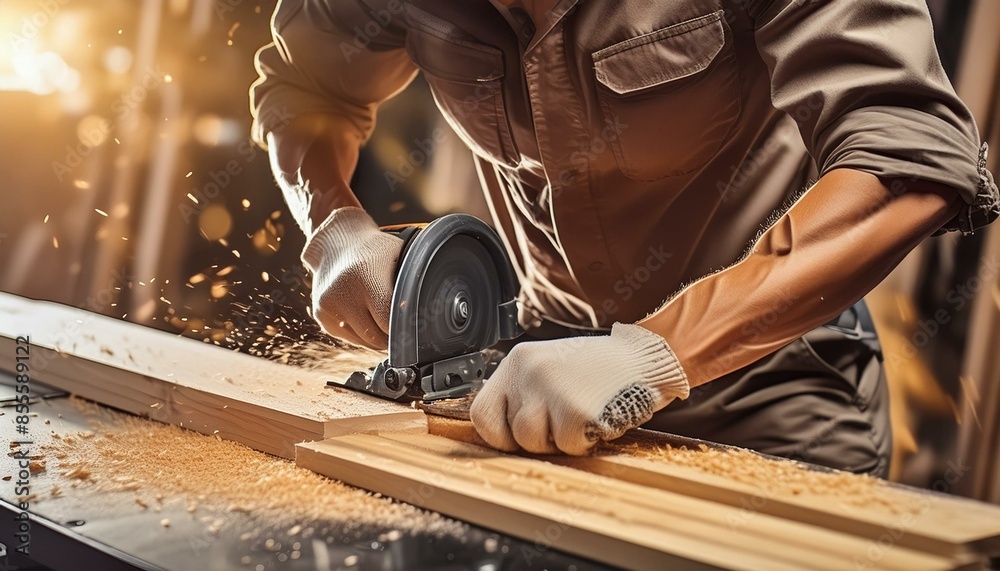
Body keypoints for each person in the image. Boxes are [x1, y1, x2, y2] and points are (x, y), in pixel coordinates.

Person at [250, 0, 998, 477]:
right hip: (534, 386)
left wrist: (652, 354)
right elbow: (306, 87)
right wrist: (335, 224)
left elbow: (906, 155)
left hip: (768, 392)